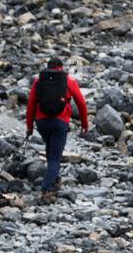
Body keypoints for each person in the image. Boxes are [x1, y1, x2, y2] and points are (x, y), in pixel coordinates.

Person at [25, 58, 89, 200]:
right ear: (61, 67)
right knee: (55, 158)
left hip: (42, 123)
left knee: (50, 149)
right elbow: (81, 104)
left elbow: (31, 106)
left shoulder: (38, 81)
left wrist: (29, 128)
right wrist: (84, 124)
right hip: (60, 122)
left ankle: (55, 179)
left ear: (48, 67)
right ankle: (46, 189)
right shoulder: (69, 81)